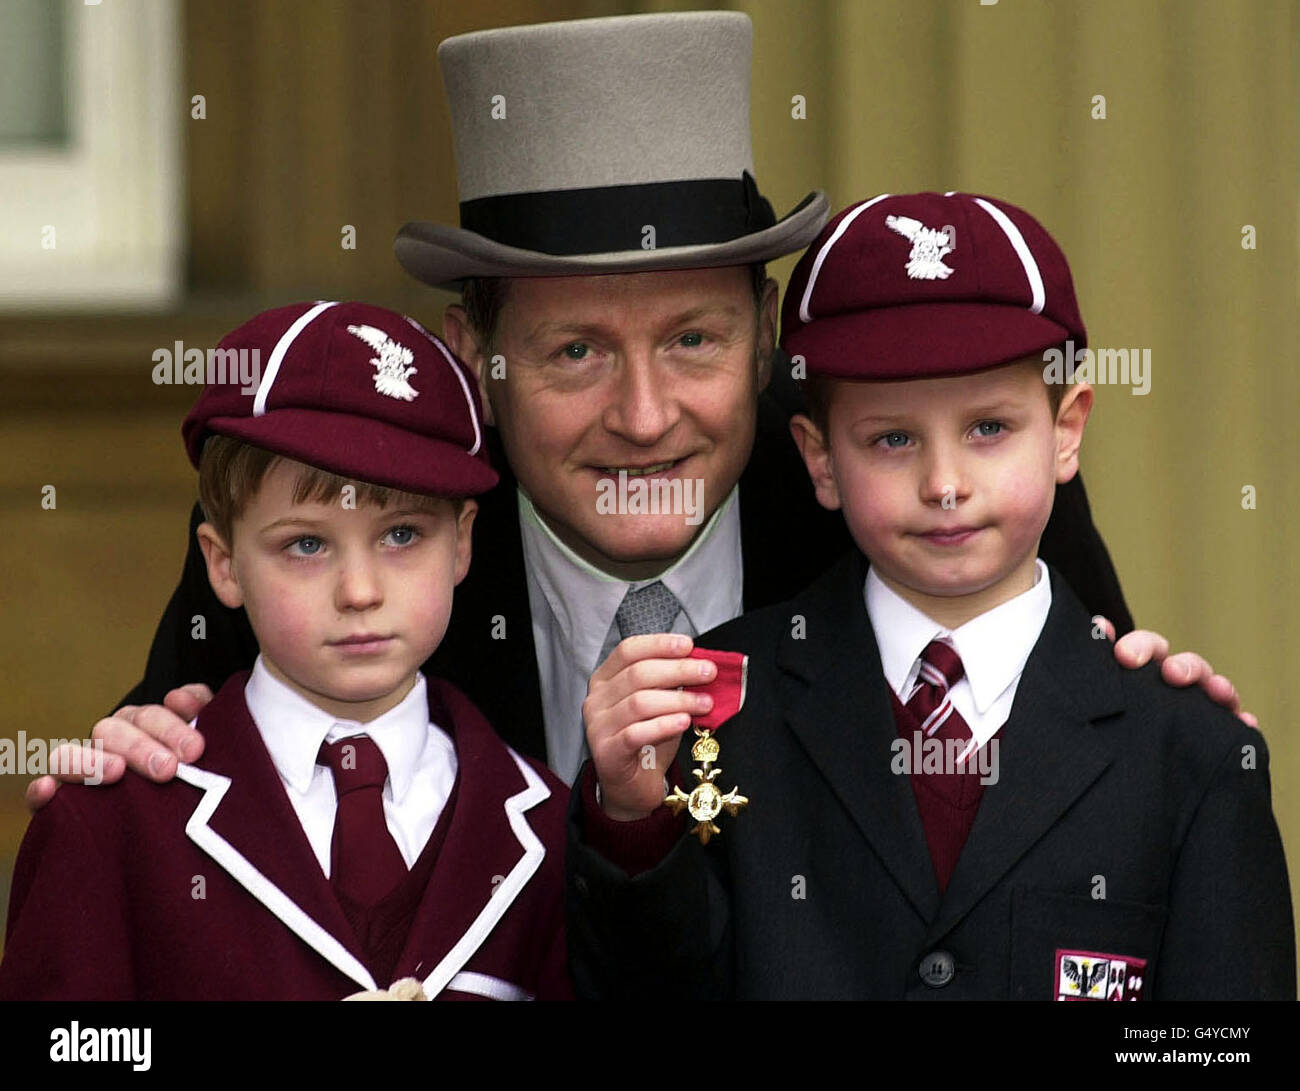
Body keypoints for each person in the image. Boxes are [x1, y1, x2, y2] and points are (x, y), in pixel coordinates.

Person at [27, 12, 1244, 809]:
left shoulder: (900, 489)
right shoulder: (364, 515)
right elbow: (187, 781)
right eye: (574, 353)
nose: (647, 417)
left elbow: (1095, 763)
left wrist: (1164, 717)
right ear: (476, 356)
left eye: (693, 341)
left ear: (765, 337)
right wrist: (138, 766)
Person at [568, 193, 1294, 1000]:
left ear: (1067, 429)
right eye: (893, 438)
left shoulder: (1189, 750)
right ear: (819, 459)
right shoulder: (712, 713)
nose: (945, 484)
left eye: (989, 428)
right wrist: (631, 824)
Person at [0, 302, 570, 1000]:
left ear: (463, 543)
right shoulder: (107, 825)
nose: (359, 591)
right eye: (306, 544)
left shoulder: (549, 827)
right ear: (223, 564)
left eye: (401, 535)